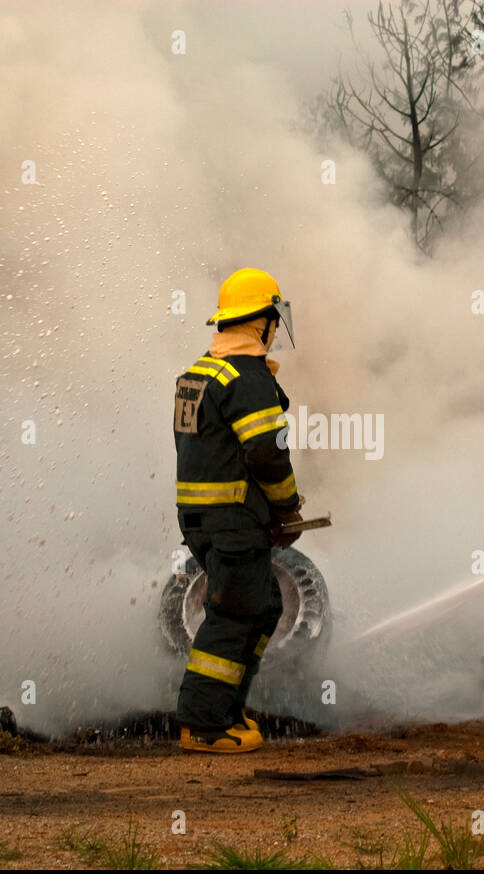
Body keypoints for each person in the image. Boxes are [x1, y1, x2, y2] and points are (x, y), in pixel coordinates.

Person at [172, 267, 304, 753]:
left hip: (202, 519)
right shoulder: (247, 380)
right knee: (233, 615)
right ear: (261, 320)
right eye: (273, 318)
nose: (275, 330)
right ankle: (203, 725)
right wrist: (286, 507)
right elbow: (267, 453)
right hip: (233, 521)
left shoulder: (200, 373)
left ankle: (225, 709)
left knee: (263, 605)